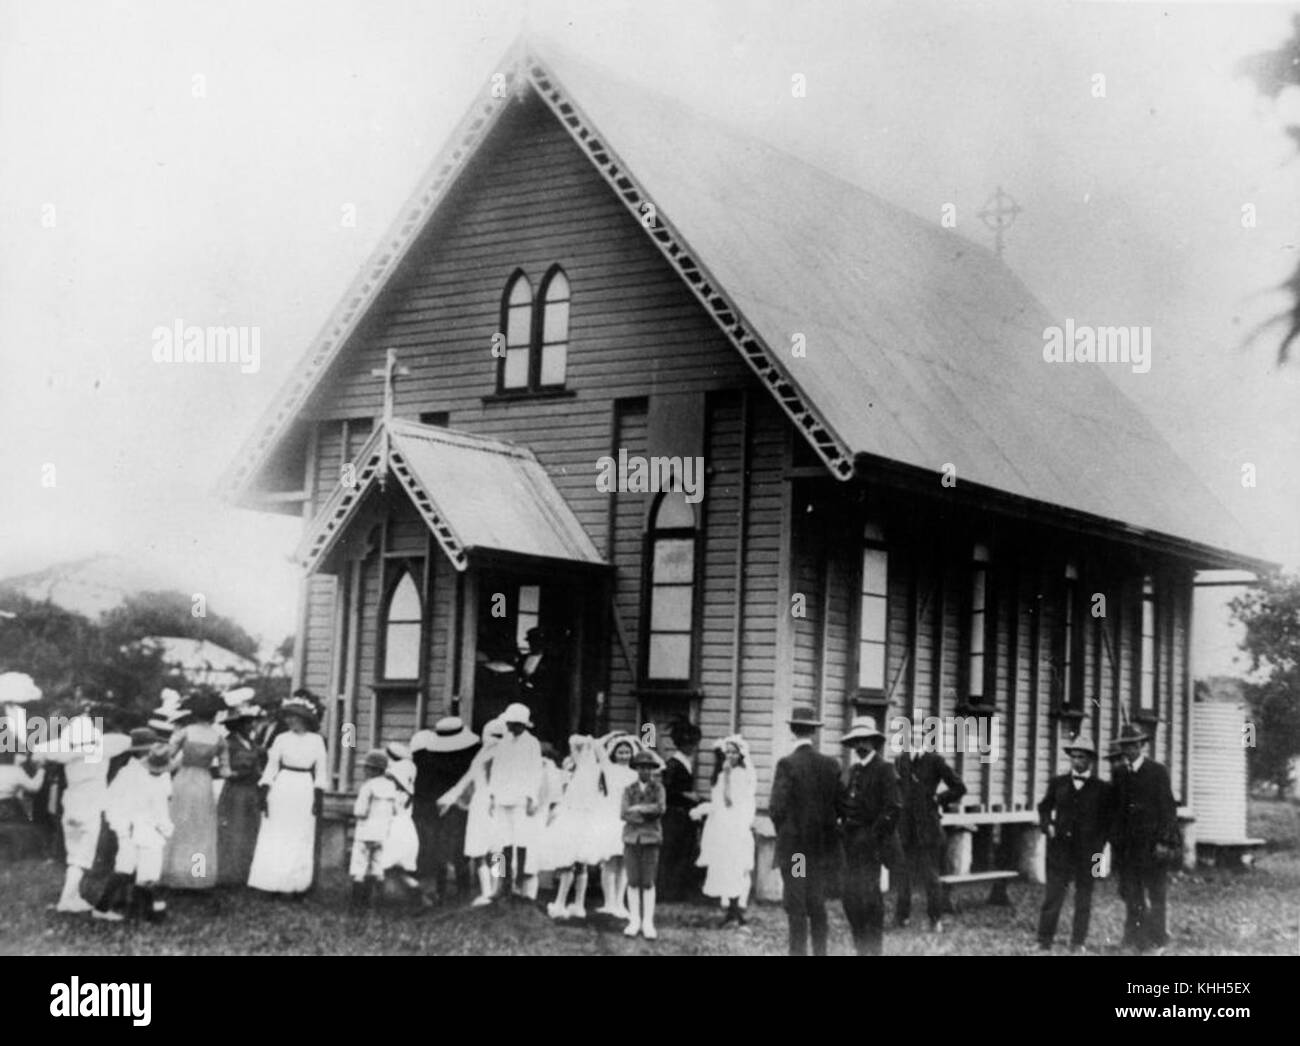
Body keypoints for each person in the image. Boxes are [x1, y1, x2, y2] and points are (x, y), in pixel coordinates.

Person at [769, 706, 842, 956]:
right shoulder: (831, 765)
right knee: (817, 903)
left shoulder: (787, 764)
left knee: (797, 905)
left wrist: (787, 833)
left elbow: (776, 808)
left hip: (798, 852)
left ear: (792, 730)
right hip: (820, 851)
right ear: (814, 731)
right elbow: (840, 806)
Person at [1036, 732, 1111, 952]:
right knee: (1053, 896)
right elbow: (1044, 807)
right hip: (1059, 849)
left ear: (1091, 760)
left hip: (1089, 852)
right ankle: (1044, 940)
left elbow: (1108, 821)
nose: (1077, 761)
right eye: (1074, 756)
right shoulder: (1058, 783)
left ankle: (1078, 942)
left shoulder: (1103, 788)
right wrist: (1046, 824)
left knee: (1084, 898)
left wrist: (1099, 849)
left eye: (1082, 757)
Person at [247, 695, 329, 896]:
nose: (290, 721)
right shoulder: (281, 739)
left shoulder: (317, 740)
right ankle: (270, 883)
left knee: (299, 834)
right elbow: (271, 767)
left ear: (305, 719)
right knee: (277, 833)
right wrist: (265, 791)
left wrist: (318, 797)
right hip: (282, 787)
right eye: (289, 717)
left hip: (303, 788)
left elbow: (321, 772)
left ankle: (294, 885)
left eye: (295, 717)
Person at [33, 715, 114, 913]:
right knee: (82, 858)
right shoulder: (102, 751)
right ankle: (66, 901)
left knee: (74, 855)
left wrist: (70, 750)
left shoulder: (66, 754)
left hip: (72, 804)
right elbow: (125, 741)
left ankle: (73, 896)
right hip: (90, 805)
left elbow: (38, 751)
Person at [1112, 722, 1180, 953]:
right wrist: (1116, 844)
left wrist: (1165, 841)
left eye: (1133, 745)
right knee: (1132, 893)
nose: (1129, 749)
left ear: (1142, 745)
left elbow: (1168, 810)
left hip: (1153, 845)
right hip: (1128, 847)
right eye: (1125, 745)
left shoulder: (1157, 771)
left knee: (1156, 893)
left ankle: (1159, 938)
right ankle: (1135, 937)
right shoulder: (1119, 773)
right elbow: (1117, 810)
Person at [837, 715, 901, 956]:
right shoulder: (853, 771)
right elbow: (845, 803)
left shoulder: (885, 769)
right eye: (856, 741)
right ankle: (860, 948)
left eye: (865, 740)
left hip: (872, 845)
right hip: (850, 844)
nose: (860, 746)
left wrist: (872, 837)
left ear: (874, 742)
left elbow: (893, 808)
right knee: (850, 900)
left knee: (869, 901)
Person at [93, 732, 173, 923]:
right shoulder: (129, 773)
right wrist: (120, 826)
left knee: (146, 872)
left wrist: (164, 826)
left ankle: (145, 910)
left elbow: (162, 806)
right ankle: (105, 907)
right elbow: (111, 801)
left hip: (148, 829)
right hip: (130, 826)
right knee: (126, 867)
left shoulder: (161, 777)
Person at [894, 725, 966, 932]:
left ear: (926, 739)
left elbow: (959, 787)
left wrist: (938, 799)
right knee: (903, 873)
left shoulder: (935, 761)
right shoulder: (901, 760)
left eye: (919, 735)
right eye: (912, 736)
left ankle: (935, 919)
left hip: (927, 826)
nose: (915, 739)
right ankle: (902, 917)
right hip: (905, 826)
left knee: (930, 875)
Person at [162, 689, 230, 890]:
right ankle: (196, 875)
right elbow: (226, 771)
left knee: (179, 825)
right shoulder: (219, 738)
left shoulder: (184, 732)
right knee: (200, 830)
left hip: (183, 780)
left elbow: (167, 756)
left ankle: (174, 872)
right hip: (203, 782)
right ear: (214, 715)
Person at [439, 716, 506, 907]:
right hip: (488, 804)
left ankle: (492, 891)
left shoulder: (489, 756)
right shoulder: (488, 756)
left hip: (487, 804)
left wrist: (449, 799)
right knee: (491, 851)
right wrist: (449, 799)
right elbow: (467, 781)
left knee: (488, 851)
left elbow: (467, 781)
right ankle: (492, 890)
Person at [411, 717, 479, 903]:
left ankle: (441, 891)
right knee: (460, 850)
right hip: (460, 807)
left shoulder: (430, 756)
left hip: (439, 807)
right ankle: (464, 890)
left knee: (440, 849)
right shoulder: (473, 754)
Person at [696, 733, 757, 926]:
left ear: (741, 755)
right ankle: (731, 911)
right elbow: (718, 802)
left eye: (733, 752)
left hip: (736, 825)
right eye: (727, 752)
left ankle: (736, 910)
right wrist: (702, 810)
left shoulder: (742, 774)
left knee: (737, 865)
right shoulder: (722, 774)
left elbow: (731, 801)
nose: (730, 756)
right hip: (721, 825)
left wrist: (729, 776)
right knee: (724, 866)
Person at [545, 734, 606, 920]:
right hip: (586, 820)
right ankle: (578, 905)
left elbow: (569, 799)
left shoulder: (584, 773)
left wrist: (556, 814)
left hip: (575, 820)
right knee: (580, 864)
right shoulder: (591, 770)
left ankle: (561, 903)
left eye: (574, 749)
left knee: (568, 863)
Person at [488, 702, 545, 900]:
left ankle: (518, 883)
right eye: (509, 723)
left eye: (513, 723)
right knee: (500, 842)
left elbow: (535, 772)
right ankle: (500, 883)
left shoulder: (532, 743)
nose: (509, 727)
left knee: (521, 842)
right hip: (501, 799)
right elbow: (496, 770)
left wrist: (531, 797)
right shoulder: (504, 742)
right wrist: (492, 795)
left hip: (521, 800)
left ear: (521, 724)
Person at [217, 702, 266, 887]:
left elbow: (259, 763)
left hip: (251, 790)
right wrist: (239, 773)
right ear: (237, 725)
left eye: (251, 723)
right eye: (246, 723)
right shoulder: (229, 743)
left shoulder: (252, 743)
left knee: (250, 829)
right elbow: (224, 767)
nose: (251, 726)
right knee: (233, 830)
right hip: (235, 791)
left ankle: (246, 873)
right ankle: (229, 874)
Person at [621, 749, 666, 939]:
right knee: (633, 881)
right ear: (636, 769)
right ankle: (634, 920)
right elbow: (624, 813)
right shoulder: (628, 789)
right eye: (641, 768)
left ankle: (648, 922)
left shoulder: (658, 789)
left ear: (653, 770)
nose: (645, 772)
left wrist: (638, 808)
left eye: (648, 768)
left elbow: (660, 808)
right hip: (632, 838)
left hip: (651, 838)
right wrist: (644, 814)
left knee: (647, 882)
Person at [658, 717, 703, 902]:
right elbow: (667, 791)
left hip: (685, 816)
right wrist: (686, 795)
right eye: (688, 744)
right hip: (674, 815)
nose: (692, 747)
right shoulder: (673, 764)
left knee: (685, 851)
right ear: (680, 744)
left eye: (693, 743)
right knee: (672, 852)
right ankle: (666, 891)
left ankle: (678, 890)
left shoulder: (686, 763)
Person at [596, 733, 639, 918]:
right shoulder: (609, 768)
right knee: (610, 861)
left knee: (624, 863)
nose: (624, 755)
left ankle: (621, 903)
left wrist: (637, 742)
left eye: (627, 752)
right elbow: (597, 746)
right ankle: (609, 902)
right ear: (614, 753)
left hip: (628, 817)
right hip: (610, 816)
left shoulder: (636, 773)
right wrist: (614, 735)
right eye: (620, 752)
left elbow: (657, 763)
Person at [350, 750, 398, 913]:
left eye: (367, 768)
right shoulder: (392, 787)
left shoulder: (368, 787)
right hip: (382, 832)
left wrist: (357, 815)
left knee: (360, 865)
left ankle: (357, 904)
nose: (365, 771)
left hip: (365, 832)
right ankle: (378, 903)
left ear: (374, 770)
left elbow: (360, 811)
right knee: (377, 866)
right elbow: (395, 811)